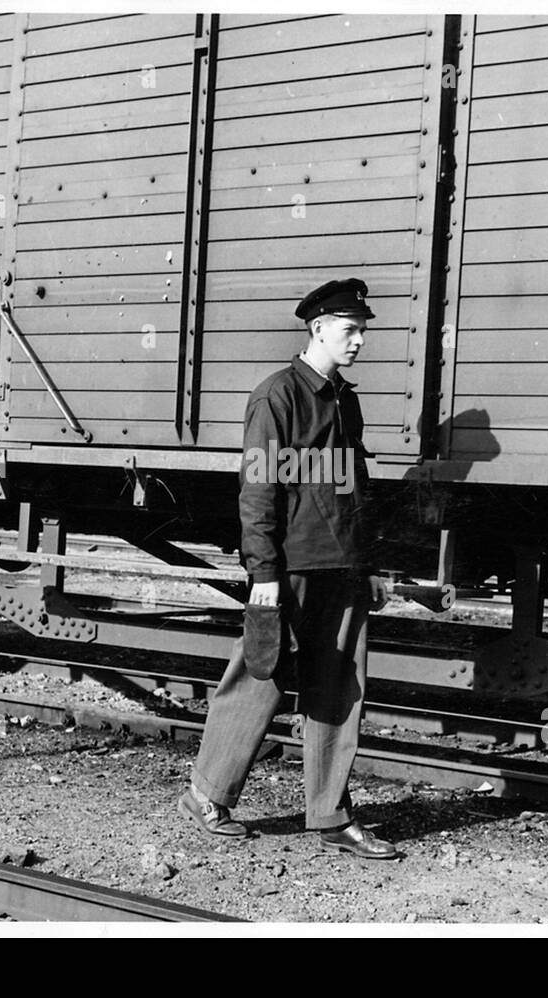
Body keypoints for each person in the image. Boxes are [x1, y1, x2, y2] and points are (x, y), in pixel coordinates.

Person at [179, 278, 399, 859]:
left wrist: (368, 563)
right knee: (261, 675)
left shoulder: (345, 399)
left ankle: (330, 815)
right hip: (291, 566)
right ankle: (207, 793)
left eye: (362, 331)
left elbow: (355, 489)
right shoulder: (276, 396)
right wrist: (266, 573)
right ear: (319, 328)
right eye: (350, 330)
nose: (359, 342)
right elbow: (258, 492)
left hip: (342, 566)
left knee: (339, 690)